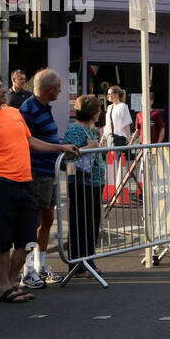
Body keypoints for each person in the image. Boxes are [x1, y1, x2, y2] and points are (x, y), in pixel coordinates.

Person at [0, 71, 78, 303]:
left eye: (3, 86)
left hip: (25, 182)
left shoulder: (14, 113)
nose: (4, 90)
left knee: (27, 237)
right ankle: (5, 286)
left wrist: (60, 148)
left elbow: (30, 141)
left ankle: (11, 282)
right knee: (2, 239)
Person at [18, 69, 65, 289]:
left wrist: (60, 146)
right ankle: (27, 271)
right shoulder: (28, 109)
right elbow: (26, 140)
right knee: (33, 222)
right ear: (48, 89)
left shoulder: (43, 107)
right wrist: (59, 147)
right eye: (58, 87)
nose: (61, 90)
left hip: (48, 172)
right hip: (35, 172)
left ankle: (40, 266)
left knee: (47, 219)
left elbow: (46, 137)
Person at [64, 95, 106, 262]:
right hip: (81, 183)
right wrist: (91, 147)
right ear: (91, 112)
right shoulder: (75, 130)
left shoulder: (91, 129)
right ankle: (79, 263)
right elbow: (68, 155)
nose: (100, 111)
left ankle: (88, 260)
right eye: (98, 109)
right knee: (82, 223)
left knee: (93, 223)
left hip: (94, 182)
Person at [101, 85, 135, 196]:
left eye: (110, 94)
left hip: (119, 138)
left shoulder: (123, 106)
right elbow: (107, 125)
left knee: (117, 163)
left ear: (115, 95)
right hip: (110, 137)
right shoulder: (110, 108)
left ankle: (118, 187)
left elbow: (126, 124)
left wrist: (129, 137)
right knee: (110, 164)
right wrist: (103, 138)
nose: (108, 96)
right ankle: (111, 187)